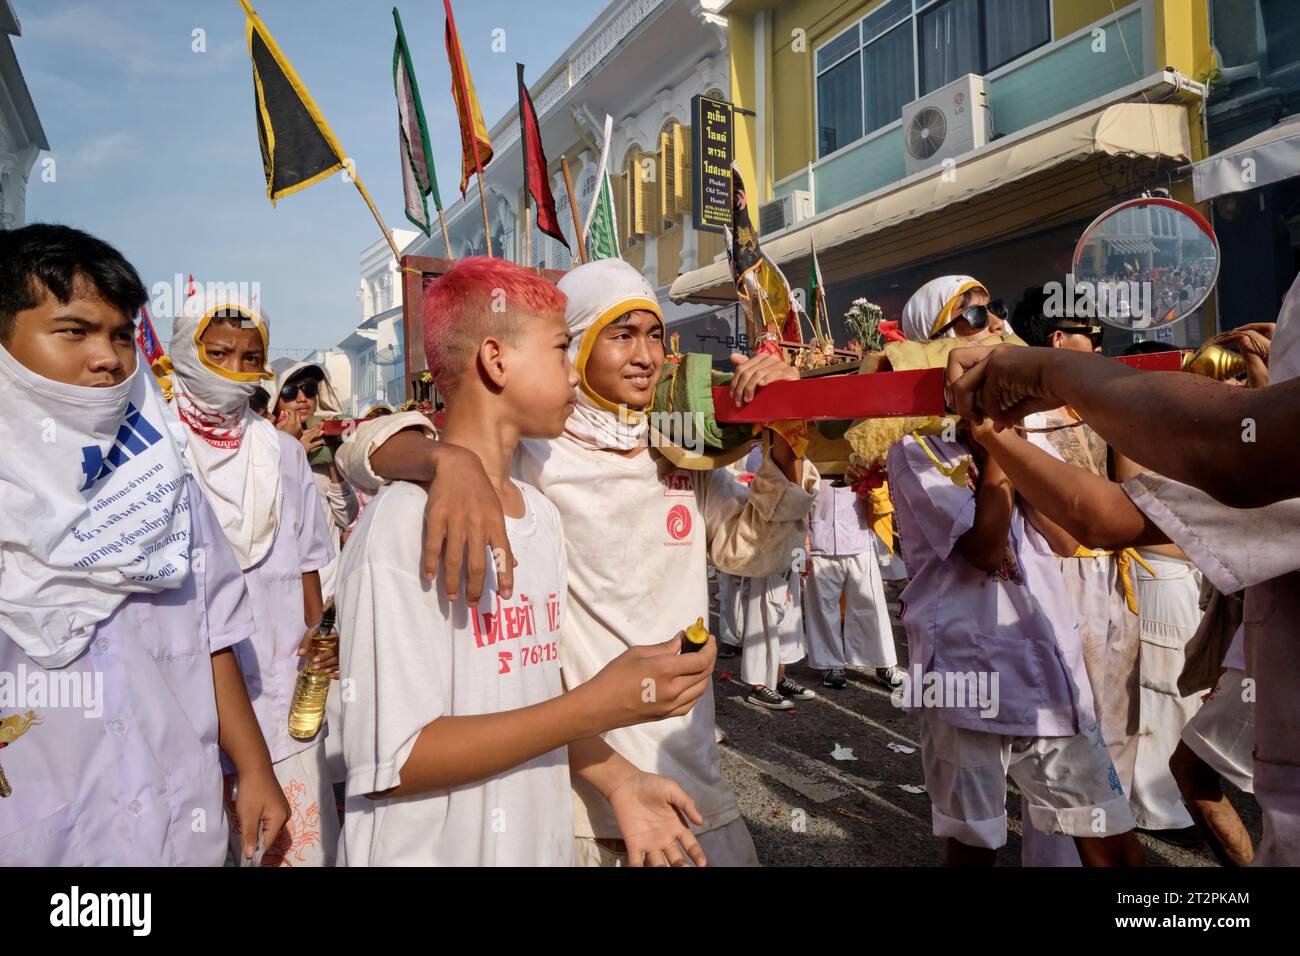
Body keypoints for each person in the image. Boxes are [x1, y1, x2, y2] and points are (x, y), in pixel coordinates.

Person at [337, 257, 820, 865]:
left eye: (656, 336)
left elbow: (750, 551)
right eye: (621, 336)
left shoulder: (674, 445)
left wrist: (779, 430)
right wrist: (440, 460)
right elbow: (367, 449)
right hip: (570, 774)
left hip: (678, 752)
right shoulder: (534, 453)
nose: (646, 356)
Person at [946, 274, 1300, 864]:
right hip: (1067, 599)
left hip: (1118, 586)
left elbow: (1108, 511)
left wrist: (1028, 398)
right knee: (1078, 757)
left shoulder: (1266, 463)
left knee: (1105, 747)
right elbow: (1079, 524)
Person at [0, 224, 287, 865]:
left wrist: (254, 764)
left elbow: (211, 636)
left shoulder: (163, 483)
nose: (107, 357)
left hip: (179, 827)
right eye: (73, 331)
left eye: (121, 335)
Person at [887, 276, 1142, 866]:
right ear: (933, 347)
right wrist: (1001, 450)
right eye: (972, 319)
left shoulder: (1023, 431)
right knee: (974, 849)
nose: (995, 326)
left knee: (1110, 839)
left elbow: (1068, 531)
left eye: (993, 313)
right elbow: (983, 547)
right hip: (964, 670)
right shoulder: (917, 451)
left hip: (1048, 659)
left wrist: (1022, 441)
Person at [168, 289, 339, 866]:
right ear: (181, 352)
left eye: (249, 358)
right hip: (190, 706)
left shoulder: (282, 454)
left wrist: (319, 642)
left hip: (283, 693)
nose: (234, 373)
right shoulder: (155, 451)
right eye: (217, 354)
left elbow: (310, 563)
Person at [269, 361, 357, 602]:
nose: (301, 398)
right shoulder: (262, 443)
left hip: (328, 581)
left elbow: (345, 516)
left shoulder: (328, 440)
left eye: (309, 390)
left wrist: (331, 458)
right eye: (289, 392)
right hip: (282, 584)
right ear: (276, 399)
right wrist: (293, 452)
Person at [804, 475, 901, 691]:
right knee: (822, 607)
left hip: (859, 536)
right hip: (820, 539)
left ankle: (883, 663)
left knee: (871, 605)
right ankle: (831, 663)